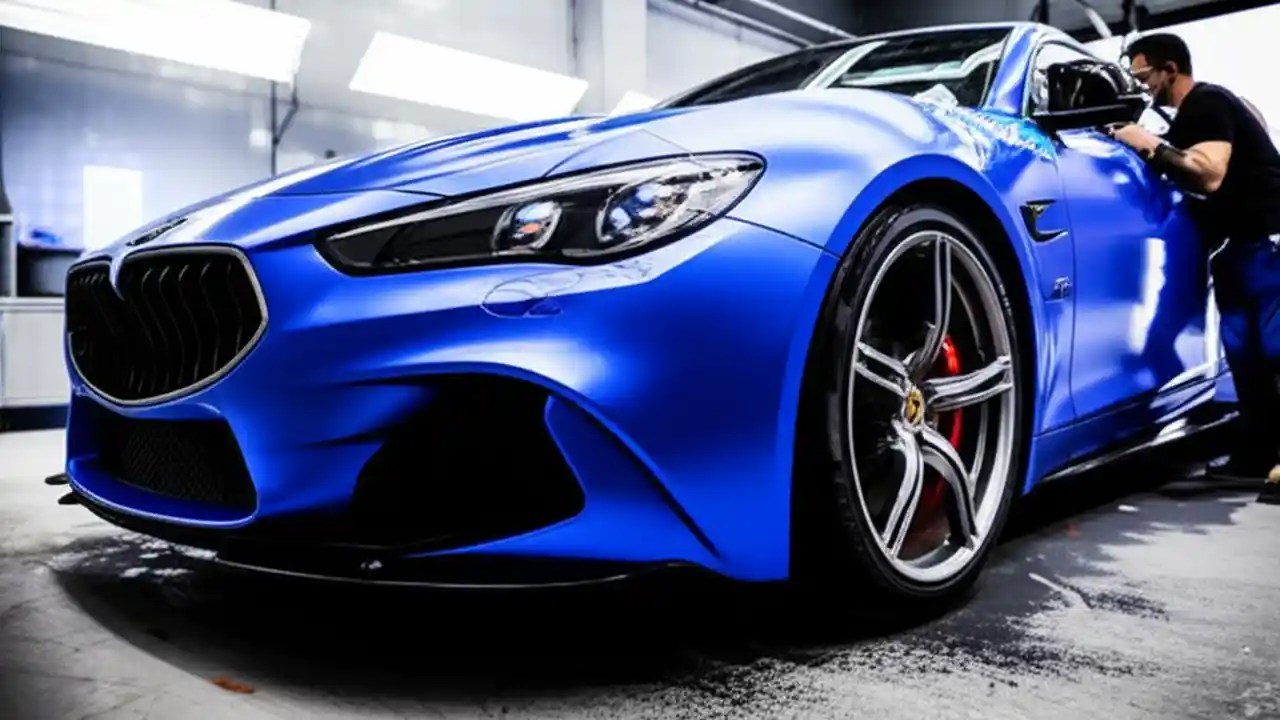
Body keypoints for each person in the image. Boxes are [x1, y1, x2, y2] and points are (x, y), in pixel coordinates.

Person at [1108, 32, 1280, 504]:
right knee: (1249, 363)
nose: (1142, 87)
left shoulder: (1207, 102)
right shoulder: (1188, 119)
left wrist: (1146, 143)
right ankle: (1256, 459)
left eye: (1145, 76)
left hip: (1266, 243)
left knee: (1275, 352)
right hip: (1237, 251)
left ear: (1170, 69)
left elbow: (1208, 172)